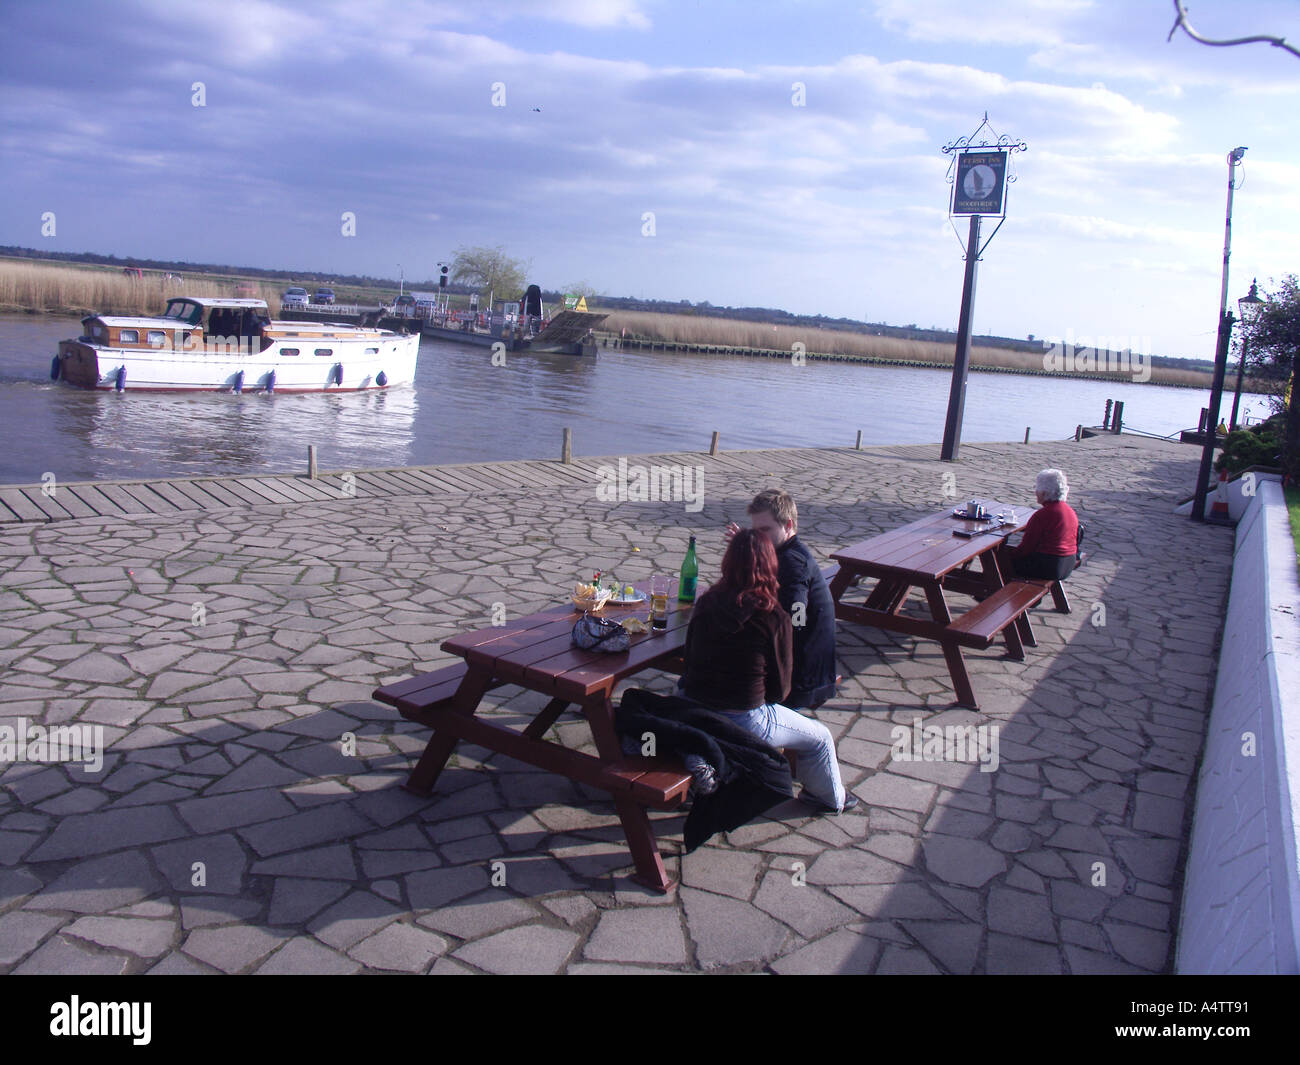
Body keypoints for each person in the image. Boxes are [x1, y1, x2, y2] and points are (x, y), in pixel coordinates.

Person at [680, 529, 856, 814]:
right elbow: (780, 691)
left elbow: (688, 663)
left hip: (694, 707)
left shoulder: (706, 602)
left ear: (727, 562)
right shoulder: (773, 616)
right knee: (821, 738)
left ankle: (717, 760)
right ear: (771, 565)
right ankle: (829, 799)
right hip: (745, 717)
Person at [725, 489, 837, 710]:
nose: (760, 538)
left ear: (788, 525)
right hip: (798, 666)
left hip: (800, 679)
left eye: (765, 530)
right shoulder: (780, 551)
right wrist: (746, 546)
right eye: (755, 531)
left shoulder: (794, 563)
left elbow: (796, 619)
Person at [999, 468, 1080, 581]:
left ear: (1044, 492)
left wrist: (1008, 556)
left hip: (1049, 566)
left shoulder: (1043, 514)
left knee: (999, 560)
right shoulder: (1069, 511)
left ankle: (992, 588)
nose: (1035, 492)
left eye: (1037, 488)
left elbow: (1026, 548)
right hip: (1068, 563)